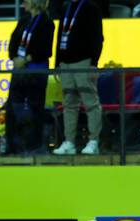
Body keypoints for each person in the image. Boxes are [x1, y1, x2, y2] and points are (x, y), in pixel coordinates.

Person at [51, 0, 104, 156]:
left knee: (90, 102)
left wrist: (94, 63)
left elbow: (97, 37)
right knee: (69, 104)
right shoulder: (66, 7)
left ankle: (94, 141)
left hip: (83, 61)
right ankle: (69, 142)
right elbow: (60, 36)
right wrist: (57, 63)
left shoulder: (91, 7)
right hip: (66, 63)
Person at [6, 0, 54, 156]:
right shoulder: (24, 19)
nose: (22, 4)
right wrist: (14, 58)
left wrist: (25, 59)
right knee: (13, 107)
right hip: (19, 71)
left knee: (35, 108)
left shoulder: (46, 22)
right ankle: (13, 146)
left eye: (25, 1)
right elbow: (13, 41)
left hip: (35, 71)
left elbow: (45, 49)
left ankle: (34, 146)